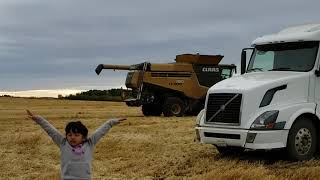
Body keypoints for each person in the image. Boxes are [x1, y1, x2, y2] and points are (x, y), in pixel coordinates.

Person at [26, 109, 126, 180]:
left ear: (83, 137)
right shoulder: (63, 143)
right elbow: (51, 130)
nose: (72, 137)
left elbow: (101, 131)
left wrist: (111, 122)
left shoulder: (89, 143)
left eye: (76, 135)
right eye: (69, 135)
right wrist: (39, 119)